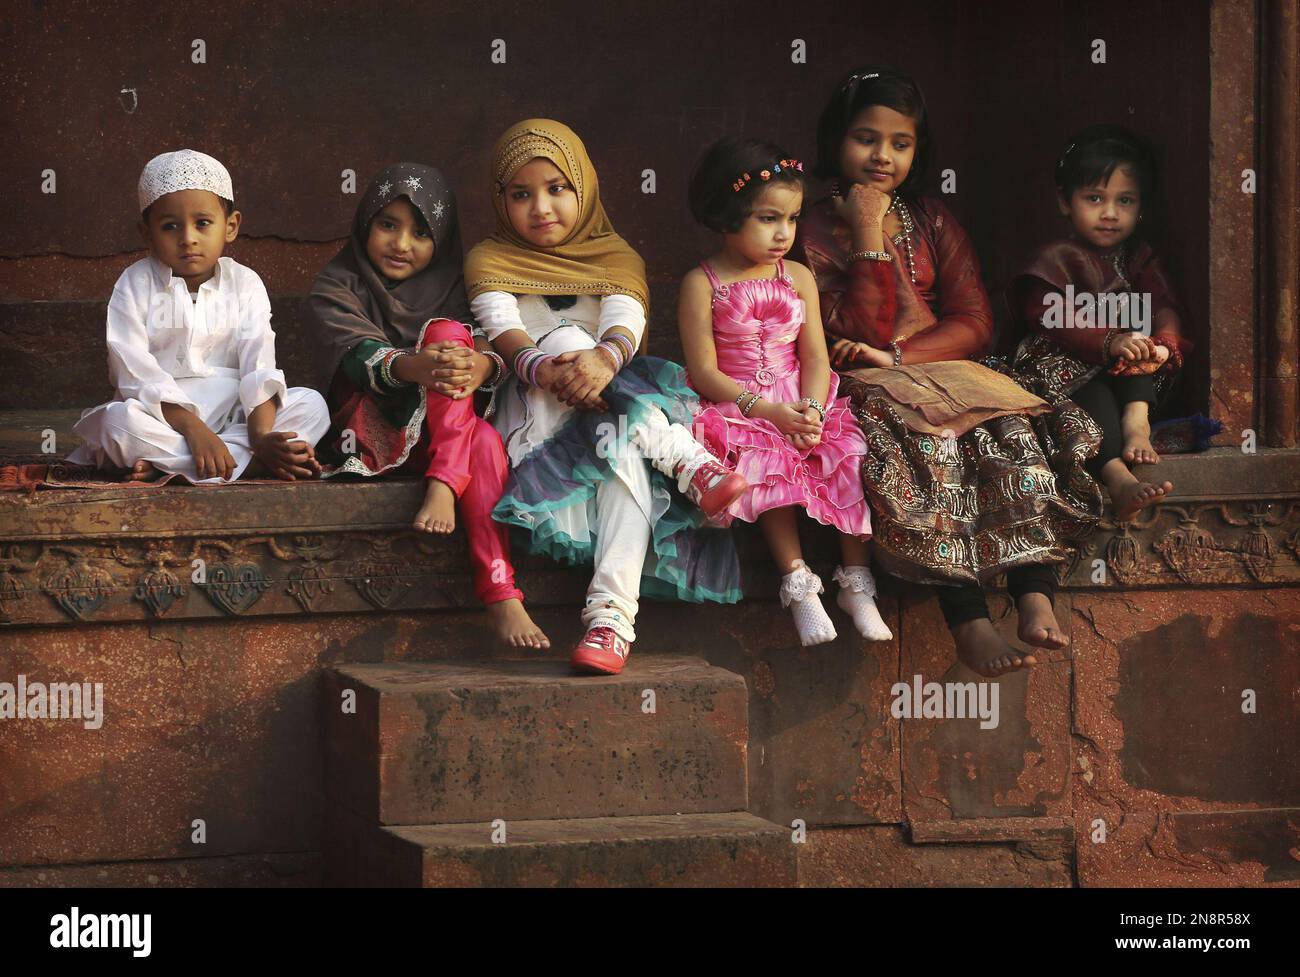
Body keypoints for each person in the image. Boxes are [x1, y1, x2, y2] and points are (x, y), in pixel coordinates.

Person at [796, 67, 1104, 677]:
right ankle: (968, 621)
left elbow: (974, 319)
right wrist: (863, 231)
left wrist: (907, 359)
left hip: (939, 367)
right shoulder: (802, 229)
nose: (883, 156)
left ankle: (1033, 590)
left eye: (901, 143)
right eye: (865, 139)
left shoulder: (931, 219)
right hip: (863, 379)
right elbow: (863, 329)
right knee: (932, 451)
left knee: (1012, 433)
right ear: (836, 140)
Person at [465, 119, 747, 675]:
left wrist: (601, 362)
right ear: (502, 202)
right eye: (521, 195)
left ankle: (611, 624)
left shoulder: (617, 259)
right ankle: (688, 464)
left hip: (614, 425)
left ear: (583, 188)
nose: (541, 207)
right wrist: (557, 368)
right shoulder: (490, 261)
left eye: (557, 188)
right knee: (574, 345)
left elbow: (624, 329)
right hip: (537, 429)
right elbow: (505, 333)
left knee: (626, 464)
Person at [306, 163, 549, 649]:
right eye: (388, 224)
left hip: (444, 438)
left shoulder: (458, 287)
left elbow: (490, 349)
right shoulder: (337, 285)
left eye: (421, 232)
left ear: (443, 237)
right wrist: (412, 367)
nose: (402, 243)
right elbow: (352, 359)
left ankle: (500, 590)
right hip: (371, 434)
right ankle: (447, 483)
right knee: (452, 366)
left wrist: (484, 367)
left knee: (481, 431)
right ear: (364, 223)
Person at [679, 137, 890, 646]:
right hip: (739, 404)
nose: (783, 234)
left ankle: (857, 584)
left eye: (791, 219)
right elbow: (703, 371)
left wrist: (813, 409)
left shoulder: (796, 276)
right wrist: (767, 410)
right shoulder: (701, 283)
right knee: (765, 465)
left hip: (802, 396)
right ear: (728, 216)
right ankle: (799, 584)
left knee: (848, 453)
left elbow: (816, 355)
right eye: (768, 219)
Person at [68, 149, 329, 483]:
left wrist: (262, 437)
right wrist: (193, 430)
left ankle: (174, 466)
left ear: (231, 226)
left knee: (312, 405)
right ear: (147, 234)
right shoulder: (135, 283)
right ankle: (235, 464)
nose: (188, 237)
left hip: (236, 412)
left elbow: (258, 364)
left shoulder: (245, 283)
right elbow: (131, 369)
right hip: (163, 417)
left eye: (202, 223)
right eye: (170, 226)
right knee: (116, 424)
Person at [1007, 124, 1190, 520]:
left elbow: (1165, 307)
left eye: (1125, 200)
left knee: (1141, 342)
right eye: (1095, 198)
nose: (1110, 213)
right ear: (1065, 201)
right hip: (1064, 369)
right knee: (1094, 393)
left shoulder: (1140, 258)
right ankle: (1117, 477)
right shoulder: (1056, 257)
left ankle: (1138, 423)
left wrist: (1164, 342)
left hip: (1128, 376)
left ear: (1141, 208)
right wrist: (1109, 341)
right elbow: (1050, 316)